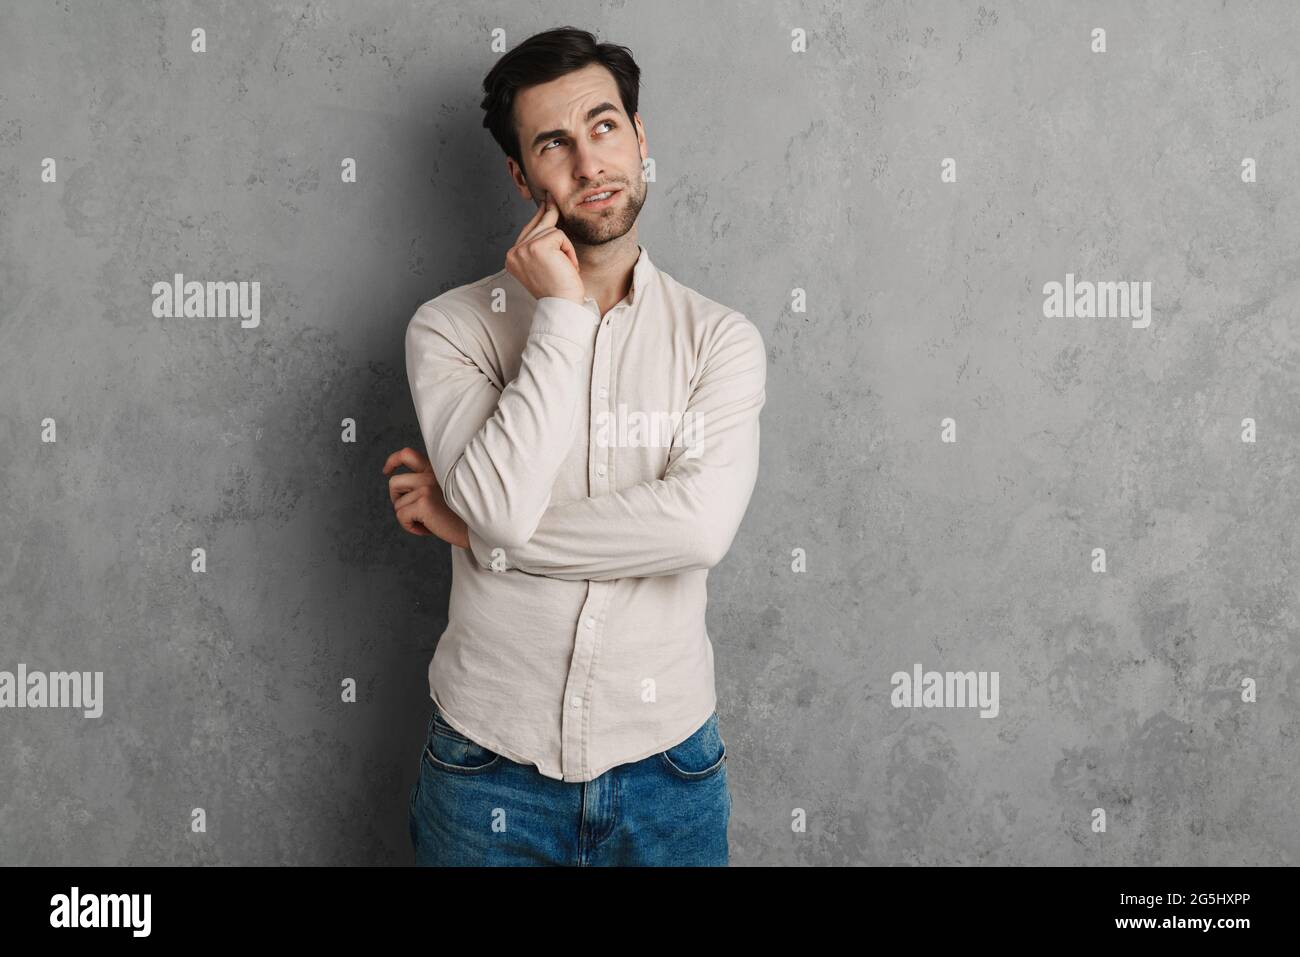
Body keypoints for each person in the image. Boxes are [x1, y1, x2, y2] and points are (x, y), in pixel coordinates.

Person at [383, 25, 766, 866]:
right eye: (555, 143)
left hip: (669, 768)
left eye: (604, 127)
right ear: (521, 176)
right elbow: (503, 508)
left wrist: (474, 532)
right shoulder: (450, 330)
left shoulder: (719, 340)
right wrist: (560, 314)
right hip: (486, 767)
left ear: (640, 139)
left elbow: (697, 530)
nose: (590, 164)